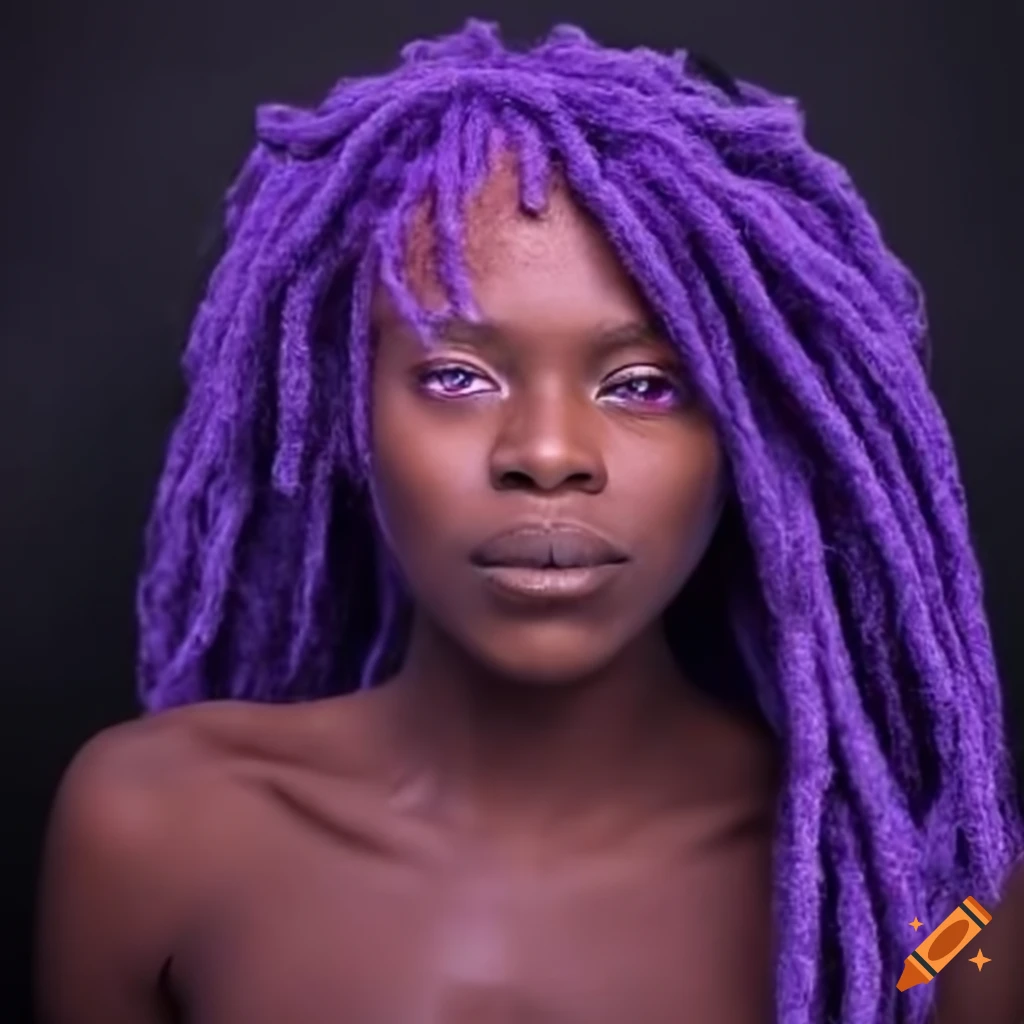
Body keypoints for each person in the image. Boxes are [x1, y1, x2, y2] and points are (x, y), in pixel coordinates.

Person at [34, 18, 1024, 1024]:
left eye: (643, 384)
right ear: (349, 410)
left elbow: (935, 970)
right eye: (456, 375)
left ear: (751, 432)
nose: (546, 454)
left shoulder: (932, 900)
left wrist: (939, 967)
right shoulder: (152, 830)